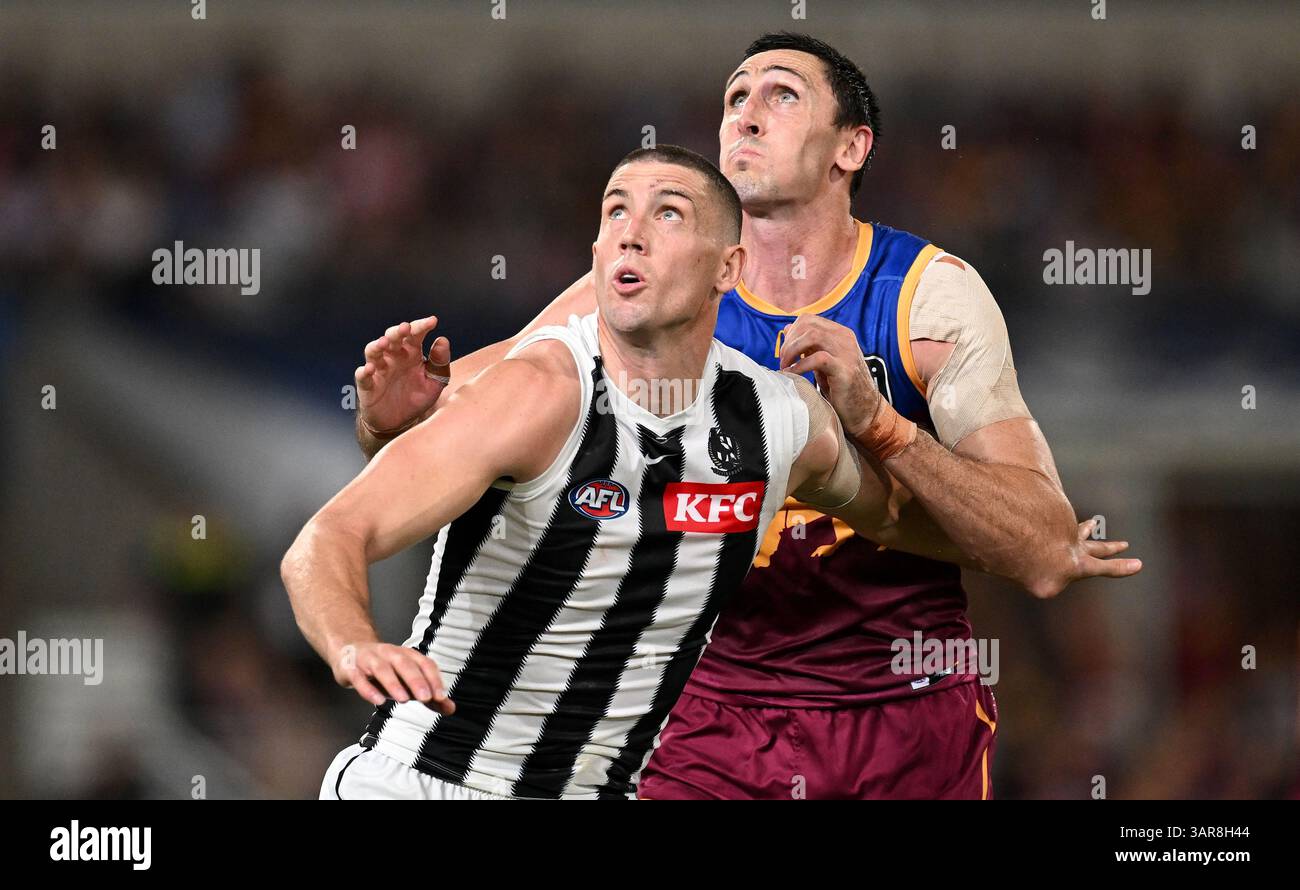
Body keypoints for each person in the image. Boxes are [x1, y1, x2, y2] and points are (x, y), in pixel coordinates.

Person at [350, 34, 1141, 799]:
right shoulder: (640, 293)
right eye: (735, 97)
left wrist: (880, 424)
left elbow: (1043, 550)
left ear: (851, 148)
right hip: (699, 715)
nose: (746, 114)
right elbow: (437, 420)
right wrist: (387, 422)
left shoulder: (927, 300)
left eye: (781, 95)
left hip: (904, 708)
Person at [290, 146, 988, 799]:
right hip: (427, 782)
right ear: (595, 252)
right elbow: (330, 537)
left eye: (669, 213)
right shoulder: (534, 394)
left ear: (728, 268)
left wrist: (996, 520)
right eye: (615, 211)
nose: (630, 233)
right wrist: (353, 642)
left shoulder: (779, 421)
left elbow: (900, 518)